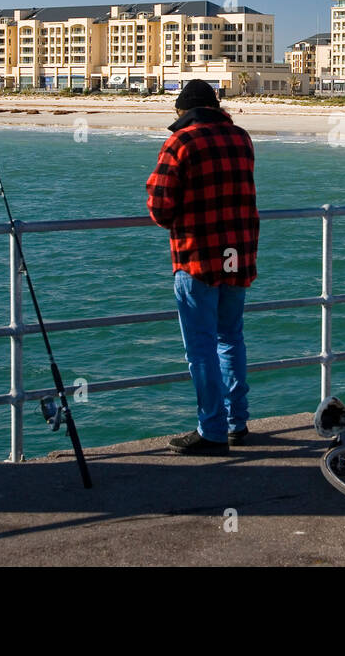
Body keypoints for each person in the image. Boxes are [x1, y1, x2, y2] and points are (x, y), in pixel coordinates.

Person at [146, 79, 259, 454]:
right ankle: (235, 422)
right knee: (231, 339)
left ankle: (211, 431)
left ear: (183, 111)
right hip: (237, 253)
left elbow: (161, 207)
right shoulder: (241, 138)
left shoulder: (181, 142)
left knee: (201, 347)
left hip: (197, 256)